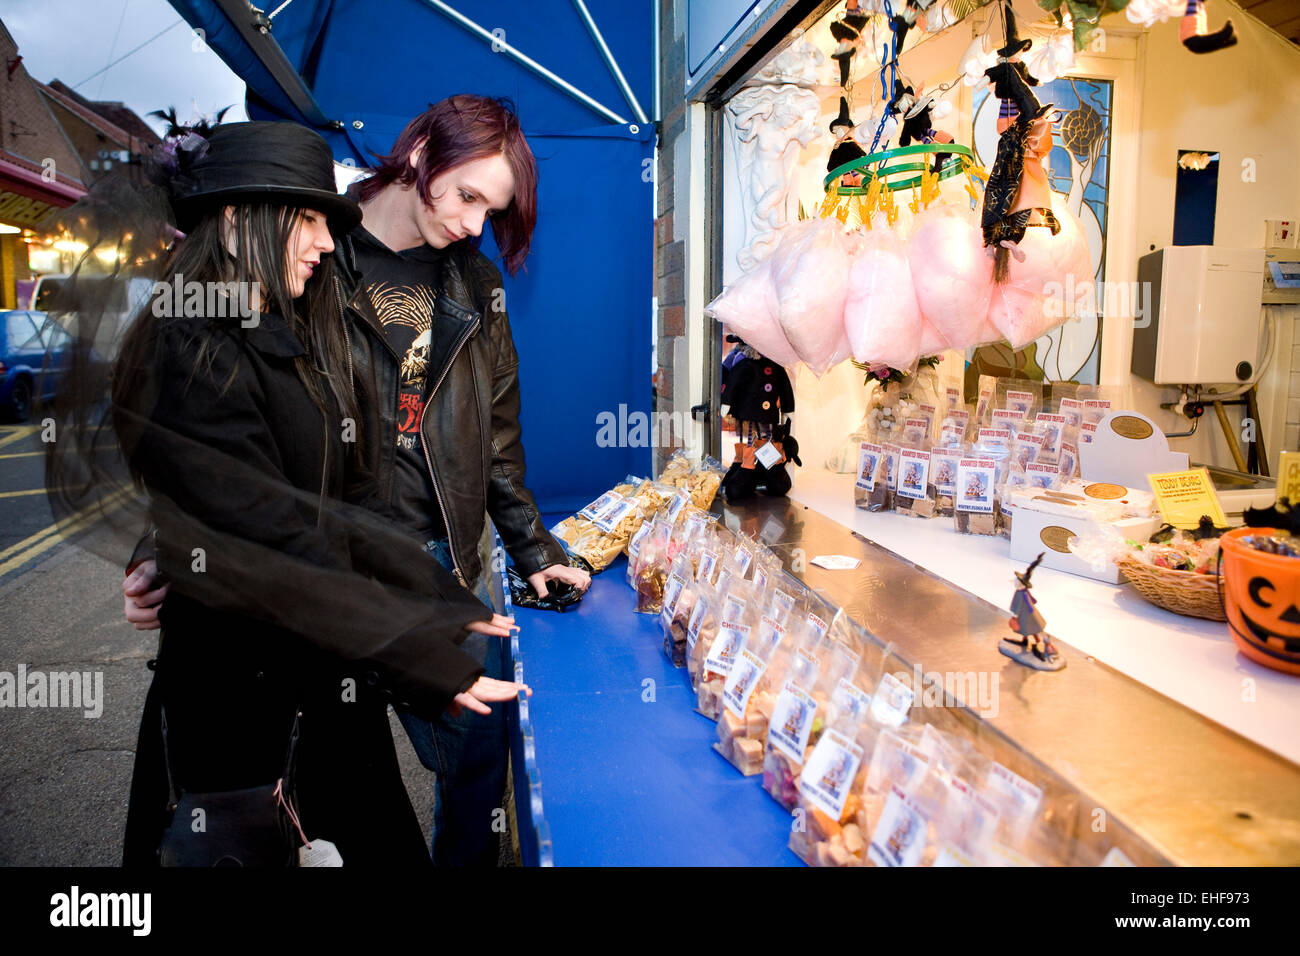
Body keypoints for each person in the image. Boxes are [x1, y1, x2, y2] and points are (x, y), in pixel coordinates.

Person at [126, 96, 590, 866]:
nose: (476, 223)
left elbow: (499, 436)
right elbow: (229, 439)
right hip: (320, 568)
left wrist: (533, 549)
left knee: (475, 754)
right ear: (418, 160)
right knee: (320, 778)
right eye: (468, 195)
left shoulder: (475, 283)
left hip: (426, 558)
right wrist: (171, 548)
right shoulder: (309, 256)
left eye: (492, 208)